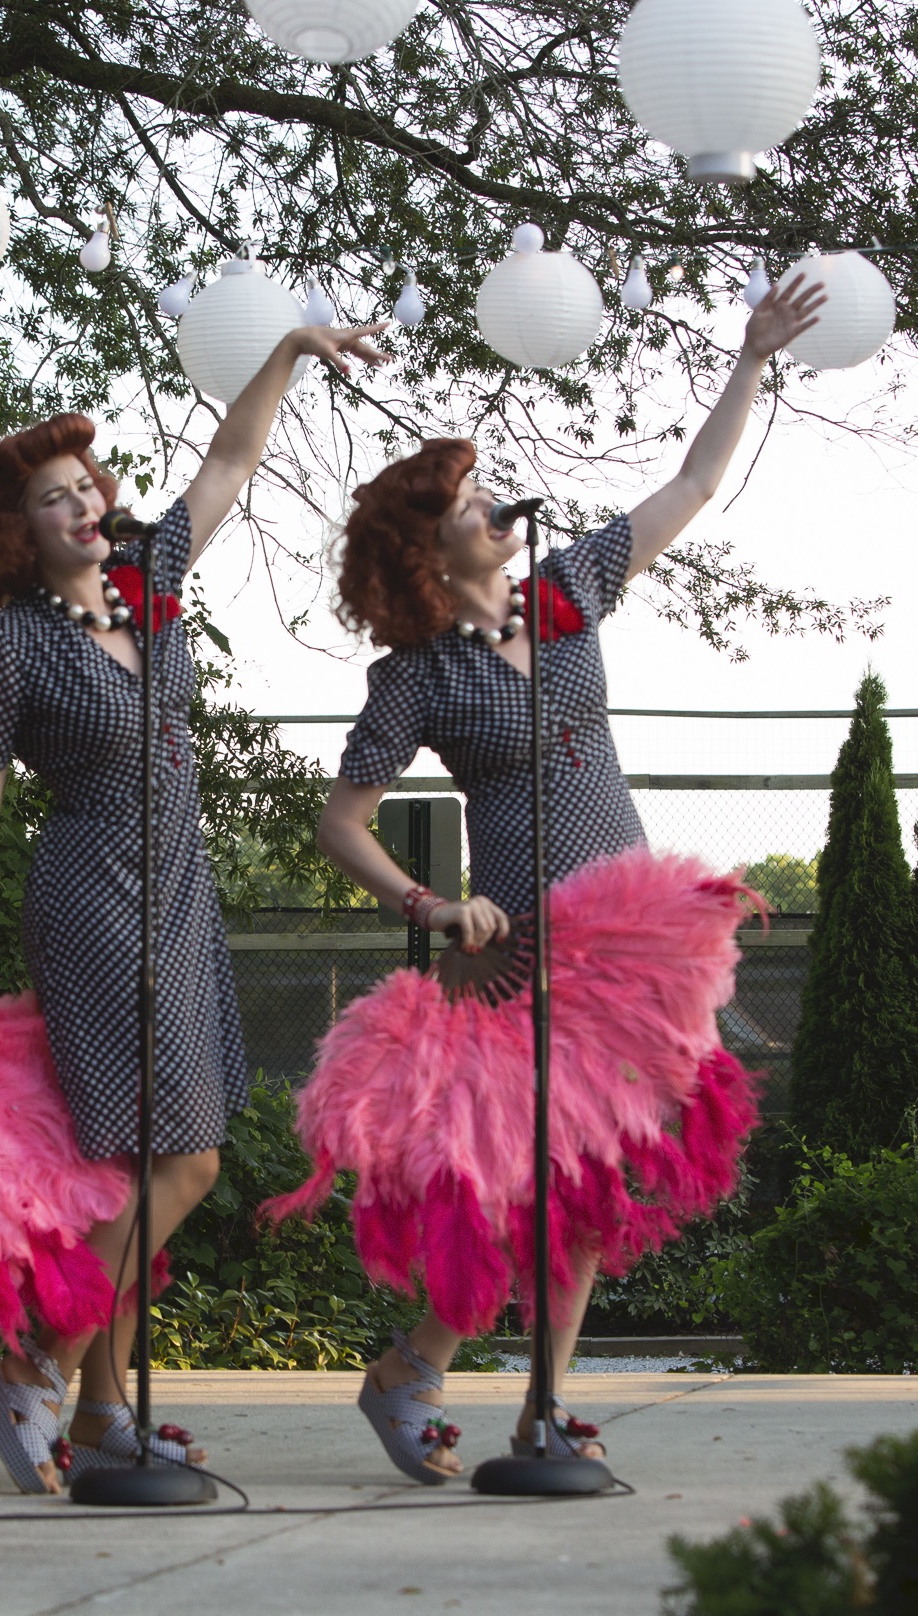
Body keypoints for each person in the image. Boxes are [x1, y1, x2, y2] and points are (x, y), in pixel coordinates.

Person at [286, 275, 826, 1484]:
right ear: (428, 549)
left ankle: (524, 1401)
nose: (497, 505)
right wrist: (429, 907)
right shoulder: (418, 677)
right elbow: (340, 822)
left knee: (587, 1190)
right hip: (525, 951)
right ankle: (421, 1368)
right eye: (472, 501)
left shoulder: (571, 593)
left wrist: (749, 359)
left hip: (634, 943)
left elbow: (688, 485)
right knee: (524, 1187)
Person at [0, 323, 388, 1493]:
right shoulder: (3, 646)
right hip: (93, 890)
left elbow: (228, 462)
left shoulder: (152, 586)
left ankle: (102, 1408)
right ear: (21, 533)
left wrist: (290, 350)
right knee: (177, 1157)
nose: (83, 508)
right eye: (55, 500)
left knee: (145, 1164)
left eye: (87, 490)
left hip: (183, 891)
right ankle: (32, 1360)